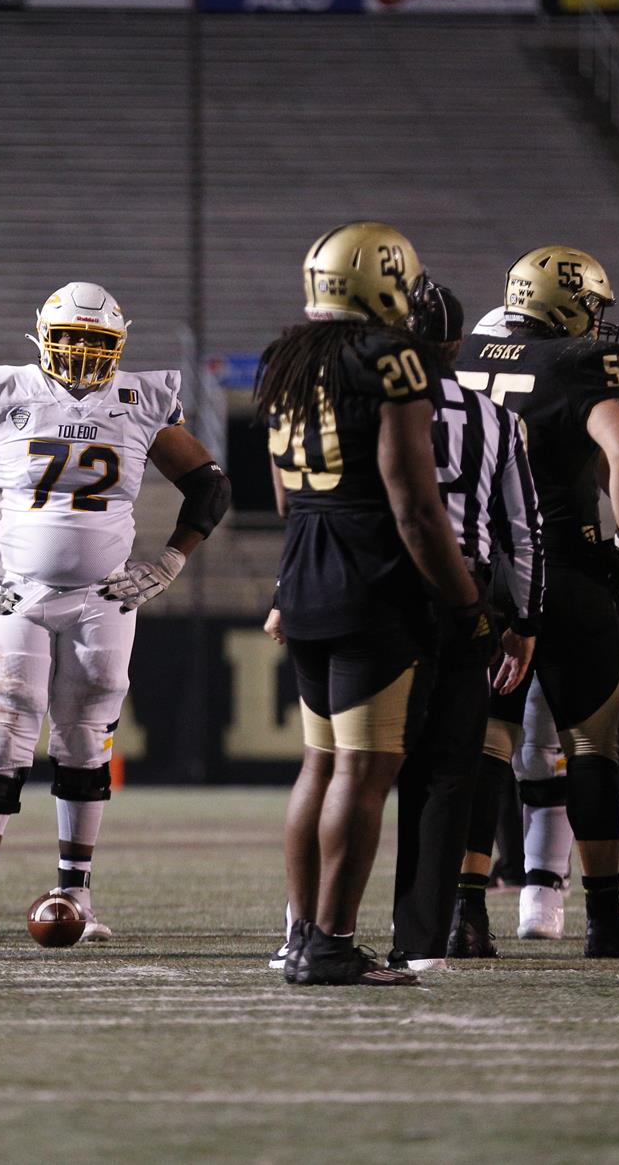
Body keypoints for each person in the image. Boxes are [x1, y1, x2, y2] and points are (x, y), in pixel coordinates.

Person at [0, 281, 228, 943]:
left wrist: (169, 561)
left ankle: (76, 893)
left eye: (97, 340)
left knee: (85, 740)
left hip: (103, 599)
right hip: (17, 594)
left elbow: (210, 482)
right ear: (44, 339)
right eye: (71, 338)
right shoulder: (9, 390)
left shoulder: (141, 401)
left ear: (119, 344)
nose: (83, 351)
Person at [260, 223, 493, 986]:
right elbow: (415, 502)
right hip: (372, 575)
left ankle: (300, 932)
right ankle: (331, 941)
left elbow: (285, 490)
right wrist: (465, 603)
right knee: (364, 770)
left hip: (306, 564)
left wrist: (285, 585)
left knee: (320, 762)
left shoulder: (286, 354)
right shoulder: (394, 357)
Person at [446, 247, 619, 961]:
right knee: (592, 748)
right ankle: (603, 918)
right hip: (565, 565)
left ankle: (466, 914)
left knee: (484, 747)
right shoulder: (582, 363)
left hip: (484, 573)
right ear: (569, 302)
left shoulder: (463, 355)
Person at [386, 282, 540, 971]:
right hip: (467, 596)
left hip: (382, 592)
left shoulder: (371, 402)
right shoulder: (496, 418)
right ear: (458, 346)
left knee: (349, 767)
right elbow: (526, 534)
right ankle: (424, 940)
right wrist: (524, 620)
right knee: (449, 772)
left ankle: (313, 922)